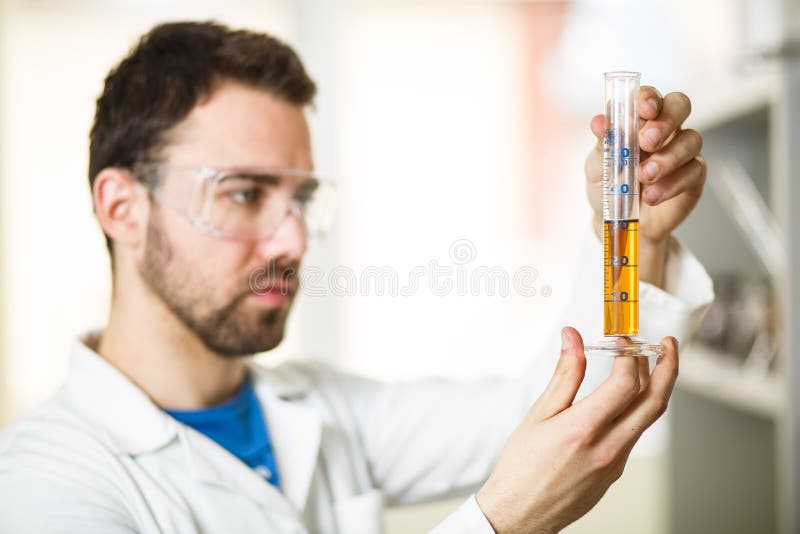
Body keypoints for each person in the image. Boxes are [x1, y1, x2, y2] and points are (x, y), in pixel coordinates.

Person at [0, 21, 712, 534]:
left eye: (301, 199)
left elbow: (565, 404)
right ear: (122, 208)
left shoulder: (322, 412)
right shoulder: (44, 486)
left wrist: (630, 235)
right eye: (245, 193)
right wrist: (500, 524)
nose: (293, 238)